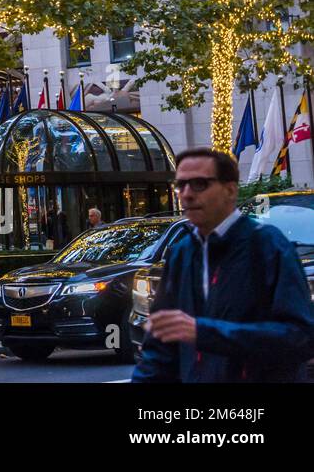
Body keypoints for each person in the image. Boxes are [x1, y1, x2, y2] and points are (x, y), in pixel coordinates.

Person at [133, 148, 314, 382]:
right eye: (181, 185)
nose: (186, 194)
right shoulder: (181, 253)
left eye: (199, 184)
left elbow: (300, 337)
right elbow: (160, 349)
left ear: (230, 190)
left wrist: (204, 332)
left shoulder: (268, 246)